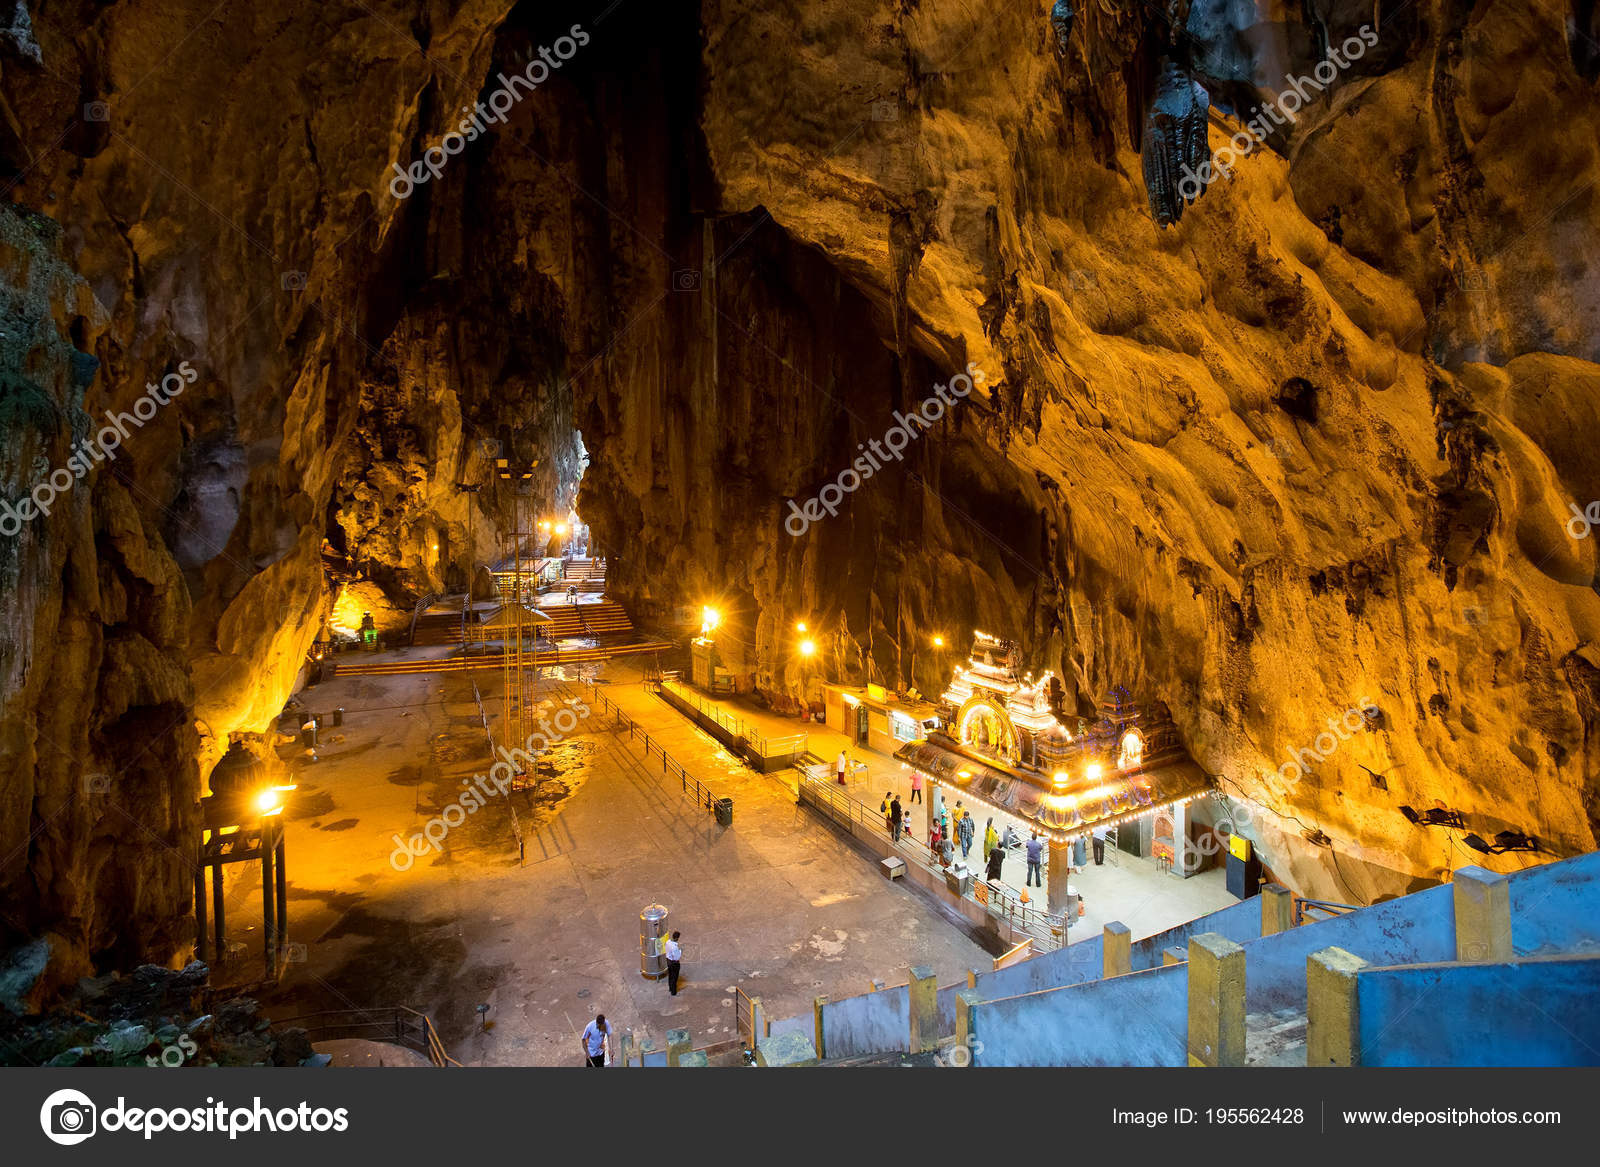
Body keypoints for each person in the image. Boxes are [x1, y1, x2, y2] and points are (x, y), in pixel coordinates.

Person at [664, 931, 683, 995]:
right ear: (676, 938)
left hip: (668, 961)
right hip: (674, 963)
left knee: (670, 975)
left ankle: (670, 988)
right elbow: (677, 957)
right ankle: (673, 991)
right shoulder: (675, 947)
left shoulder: (667, 942)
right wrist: (680, 951)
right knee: (674, 977)